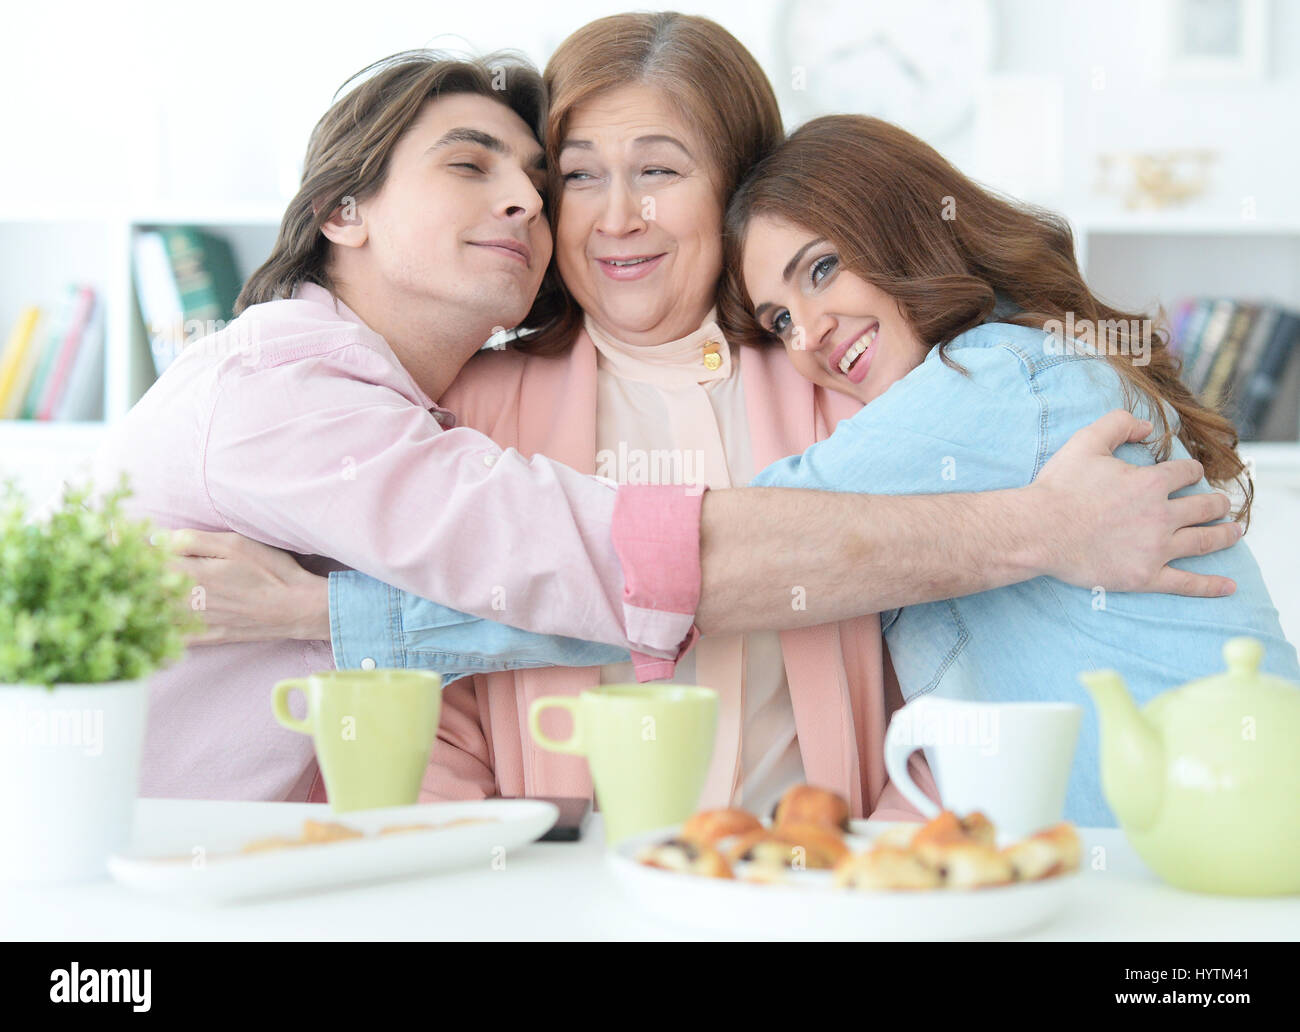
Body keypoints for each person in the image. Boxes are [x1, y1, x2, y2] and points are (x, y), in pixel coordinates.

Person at [162, 18, 1241, 815]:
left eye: (659, 172)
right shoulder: (466, 407)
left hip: (822, 878)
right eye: (579, 177)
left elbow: (946, 661)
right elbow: (428, 709)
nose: (616, 217)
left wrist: (892, 855)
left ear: (729, 191)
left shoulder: (848, 386)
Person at [721, 113, 1299, 823]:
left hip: (1228, 842)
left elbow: (744, 542)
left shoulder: (995, 379)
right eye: (779, 321)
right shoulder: (1023, 355)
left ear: (904, 227)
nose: (807, 334)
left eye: (821, 269)